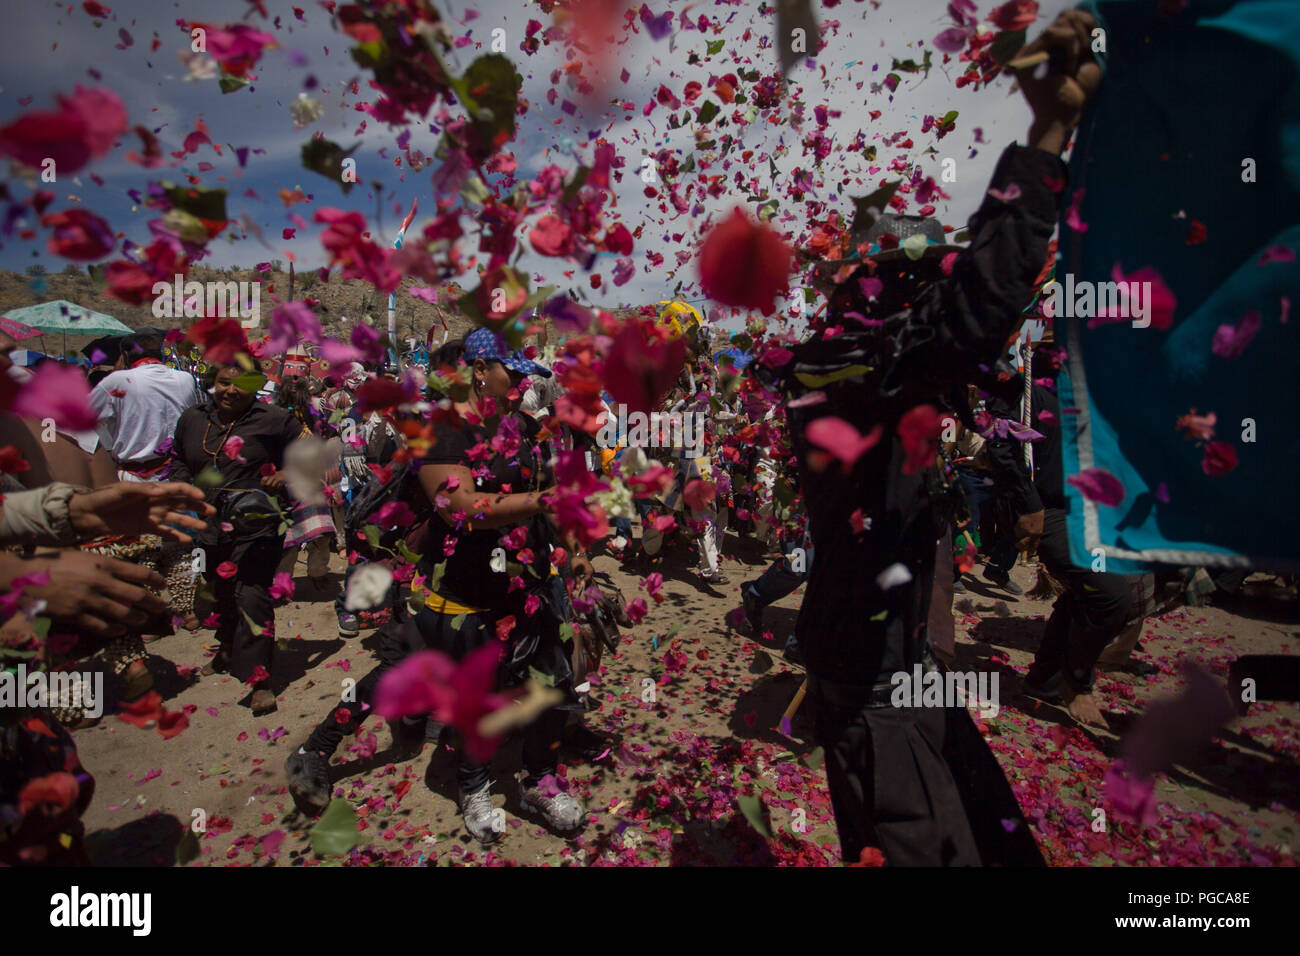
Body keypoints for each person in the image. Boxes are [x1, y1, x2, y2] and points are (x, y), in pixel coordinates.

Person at [759, 9, 1100, 866]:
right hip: (868, 673)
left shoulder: (883, 362)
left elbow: (978, 329)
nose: (925, 293)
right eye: (914, 278)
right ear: (880, 293)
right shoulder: (838, 365)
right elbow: (974, 312)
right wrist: (1048, 131)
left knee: (992, 842)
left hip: (901, 656)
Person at [286, 329, 589, 842]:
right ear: (478, 371)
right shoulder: (441, 433)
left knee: (555, 685)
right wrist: (542, 503)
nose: (519, 383)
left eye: (524, 376)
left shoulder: (524, 428)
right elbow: (463, 510)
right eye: (509, 373)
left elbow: (547, 493)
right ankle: (324, 751)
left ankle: (539, 780)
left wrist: (572, 549)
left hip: (525, 584)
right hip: (457, 591)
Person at [168, 359, 307, 715]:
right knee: (219, 589)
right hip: (210, 521)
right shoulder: (193, 418)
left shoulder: (275, 420)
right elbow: (180, 458)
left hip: (257, 522)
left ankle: (260, 679)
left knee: (252, 594)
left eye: (239, 384)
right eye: (223, 381)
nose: (230, 390)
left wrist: (285, 473)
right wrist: (183, 485)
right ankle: (227, 647)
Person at [89, 331, 202, 483]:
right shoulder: (185, 379)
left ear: (125, 356)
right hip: (178, 476)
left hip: (132, 479)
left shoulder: (117, 380)